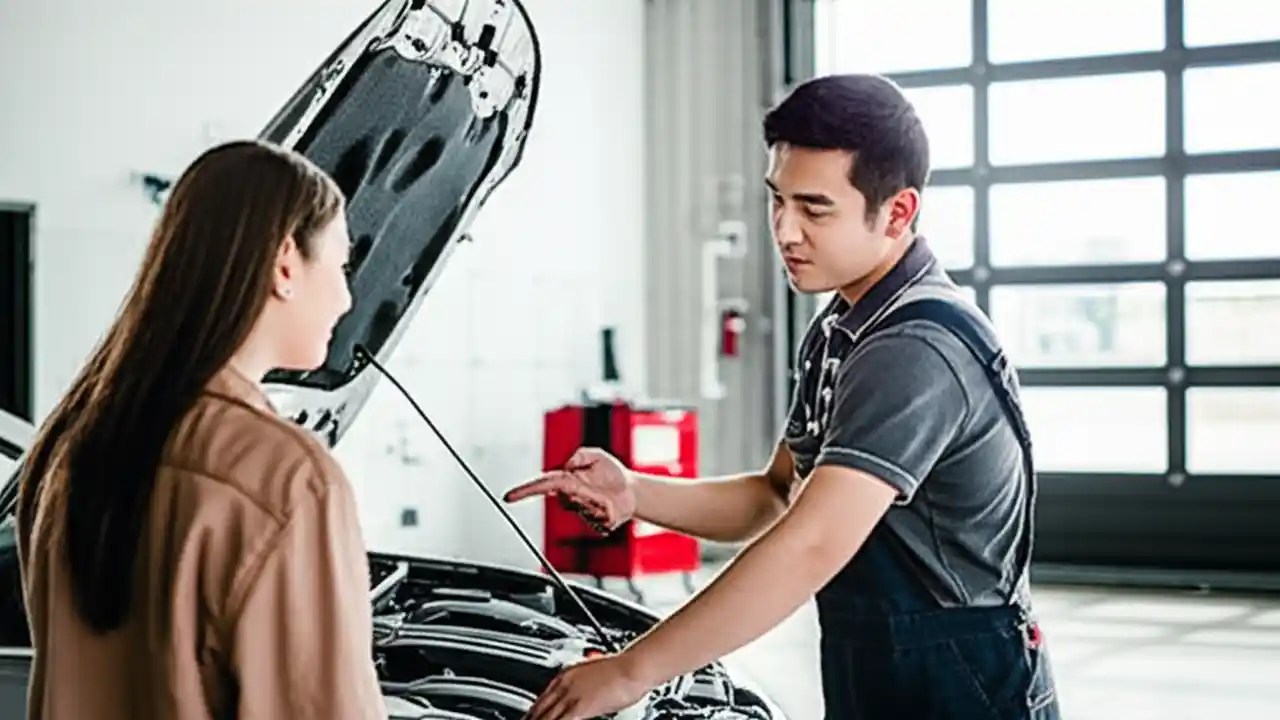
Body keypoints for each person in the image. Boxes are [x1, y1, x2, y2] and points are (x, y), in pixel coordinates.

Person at [505, 74, 1061, 720]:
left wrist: (634, 671)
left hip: (959, 679)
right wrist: (636, 492)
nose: (785, 231)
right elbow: (776, 494)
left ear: (899, 211)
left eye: (815, 209)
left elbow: (811, 542)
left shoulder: (914, 348)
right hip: (878, 659)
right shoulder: (841, 326)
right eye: (777, 200)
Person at [15, 140, 385, 719]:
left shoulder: (72, 443)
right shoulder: (289, 479)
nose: (345, 297)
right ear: (285, 263)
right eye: (340, 265)